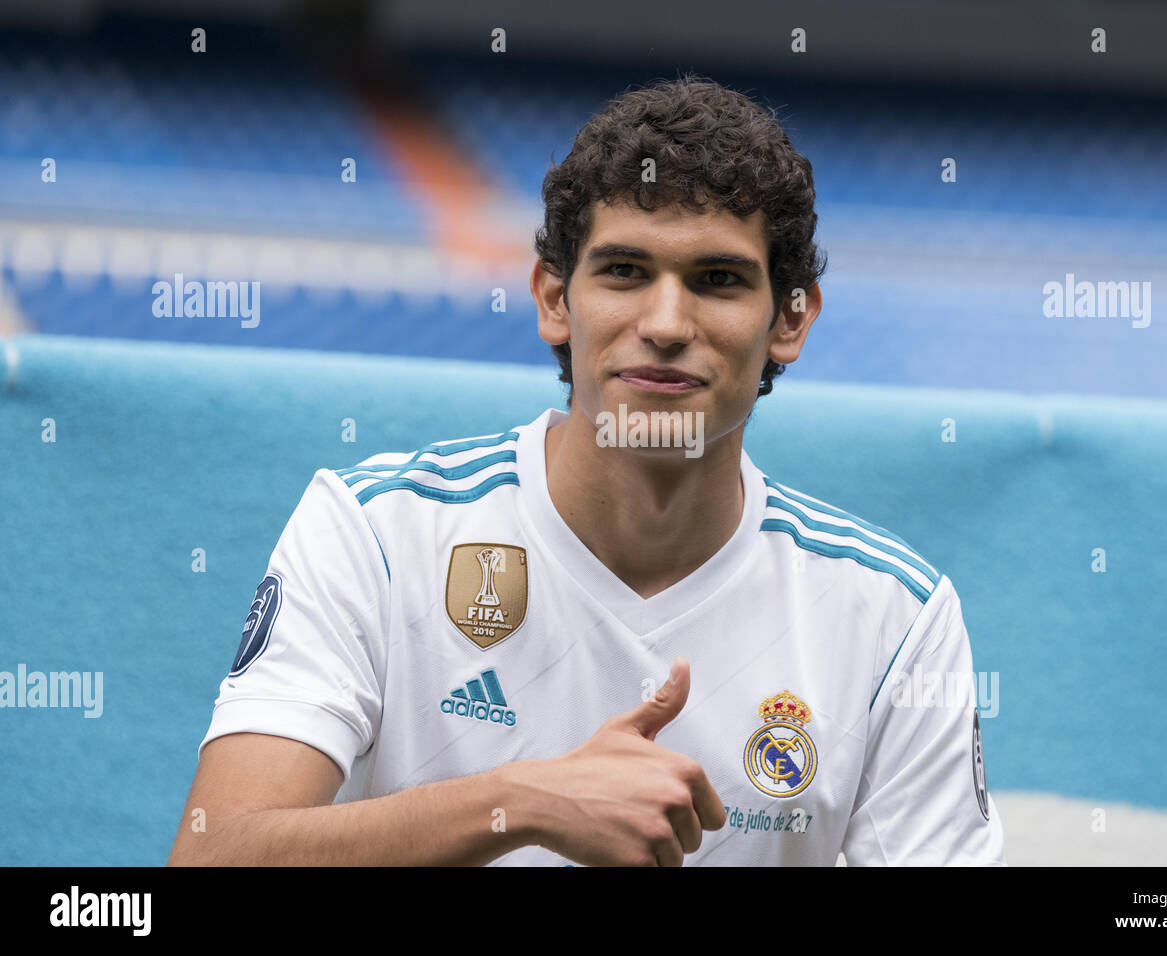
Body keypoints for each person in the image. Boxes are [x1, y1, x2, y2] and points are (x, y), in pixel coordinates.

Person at [167, 75, 1005, 866]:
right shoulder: (376, 533)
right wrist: (521, 800)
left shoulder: (896, 619)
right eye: (625, 271)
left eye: (717, 280)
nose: (667, 322)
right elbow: (211, 856)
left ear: (790, 321)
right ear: (554, 301)